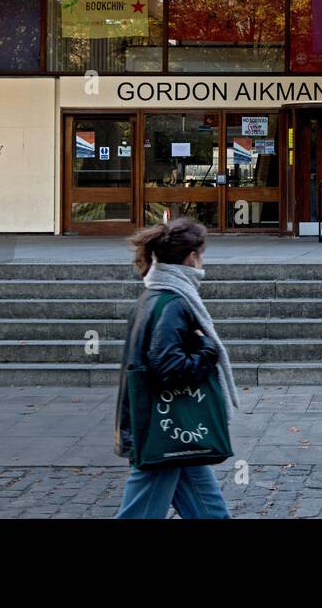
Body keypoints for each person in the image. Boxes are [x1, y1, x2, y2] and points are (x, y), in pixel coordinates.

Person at [114, 218, 239, 519]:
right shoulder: (172, 302)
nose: (202, 260)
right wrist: (208, 350)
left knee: (211, 513)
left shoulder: (154, 295)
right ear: (191, 257)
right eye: (201, 253)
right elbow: (169, 368)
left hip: (174, 428)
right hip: (163, 430)